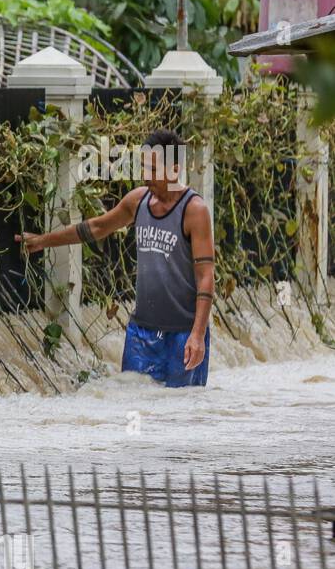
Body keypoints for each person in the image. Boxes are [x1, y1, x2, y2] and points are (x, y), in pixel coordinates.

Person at [16, 128, 214, 387]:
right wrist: (44, 240)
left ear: (174, 170)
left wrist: (197, 335)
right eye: (143, 167)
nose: (146, 176)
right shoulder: (138, 201)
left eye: (153, 170)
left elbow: (206, 276)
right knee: (132, 400)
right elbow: (96, 228)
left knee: (180, 413)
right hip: (141, 334)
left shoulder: (194, 211)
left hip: (183, 334)